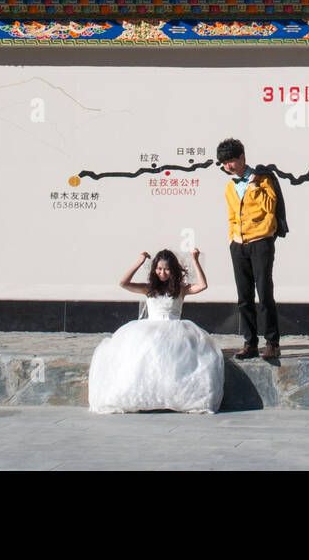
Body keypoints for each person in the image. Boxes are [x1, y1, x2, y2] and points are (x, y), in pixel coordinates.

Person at [88, 248, 224, 414]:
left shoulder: (180, 289)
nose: (162, 272)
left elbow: (203, 285)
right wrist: (139, 262)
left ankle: (175, 397)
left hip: (175, 331)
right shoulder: (149, 289)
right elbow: (123, 283)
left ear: (173, 270)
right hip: (151, 329)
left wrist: (195, 260)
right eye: (159, 269)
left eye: (166, 269)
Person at [216, 137, 281, 360]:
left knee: (264, 294)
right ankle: (250, 342)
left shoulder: (263, 179)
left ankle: (272, 343)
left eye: (231, 161)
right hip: (238, 245)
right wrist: (232, 240)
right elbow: (232, 217)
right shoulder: (229, 187)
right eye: (224, 163)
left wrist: (254, 184)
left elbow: (270, 207)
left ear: (242, 157)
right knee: (244, 297)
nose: (228, 166)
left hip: (261, 242)